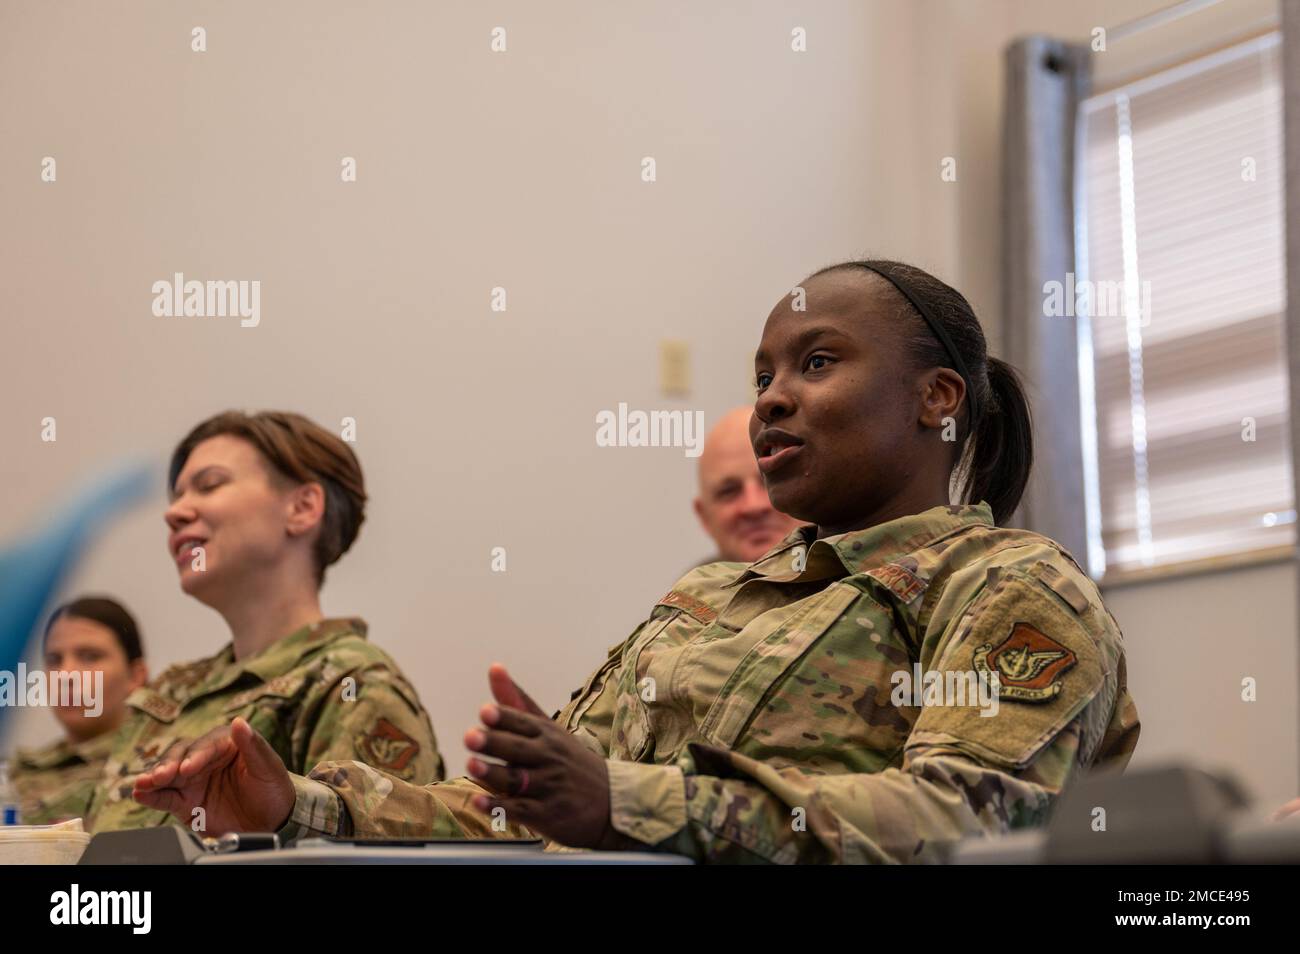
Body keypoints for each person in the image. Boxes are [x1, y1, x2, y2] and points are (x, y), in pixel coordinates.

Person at [134, 261, 1140, 863]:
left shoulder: (1006, 583)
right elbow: (516, 815)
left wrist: (627, 802)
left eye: (816, 363)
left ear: (938, 398)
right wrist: (302, 805)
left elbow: (972, 826)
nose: (771, 400)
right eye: (761, 377)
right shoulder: (710, 597)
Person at [85, 410, 443, 832]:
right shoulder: (170, 692)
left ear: (302, 508)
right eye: (176, 496)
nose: (175, 512)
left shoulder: (353, 687)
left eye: (210, 484)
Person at [9, 597, 148, 824]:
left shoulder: (168, 769)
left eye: (90, 656)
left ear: (135, 675)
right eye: (54, 660)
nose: (66, 675)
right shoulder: (12, 778)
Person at [692, 406, 803, 565]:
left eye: (770, 480)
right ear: (704, 517)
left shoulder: (851, 583)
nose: (753, 506)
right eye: (729, 491)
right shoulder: (689, 589)